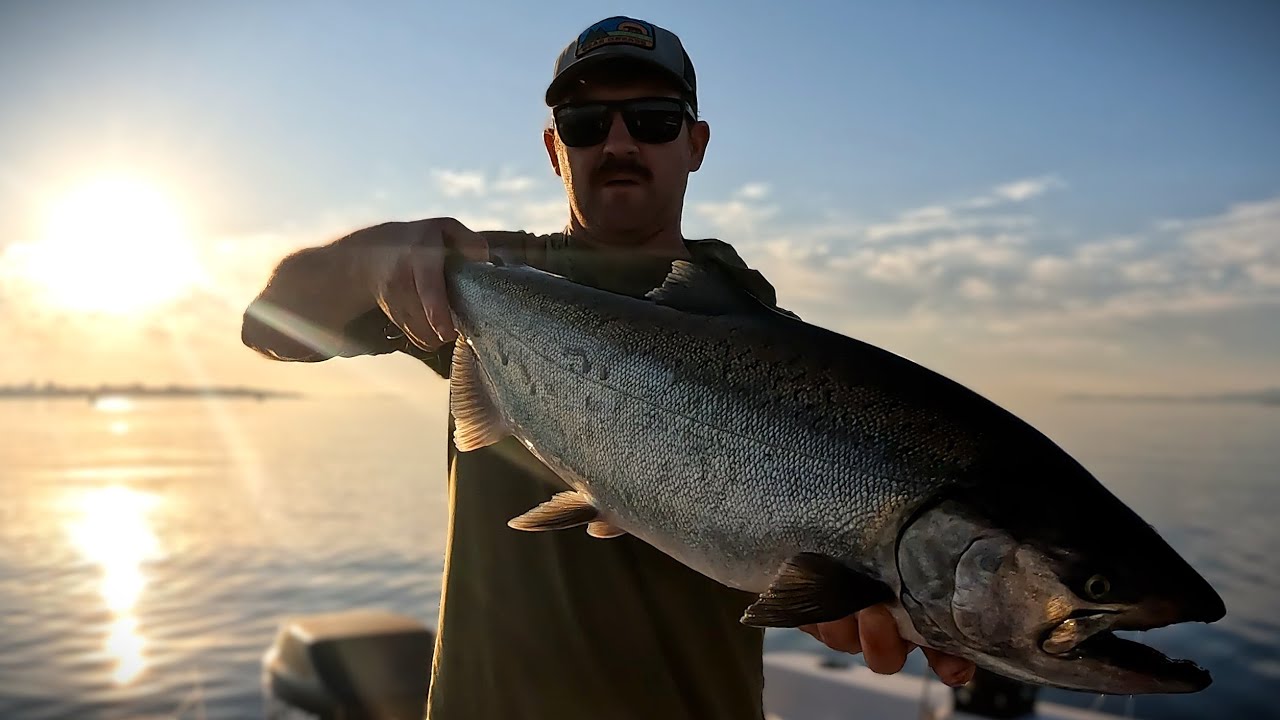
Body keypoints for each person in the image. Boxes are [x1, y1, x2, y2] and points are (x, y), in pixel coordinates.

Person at [241, 16, 976, 719]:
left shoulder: (780, 356)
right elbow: (271, 323)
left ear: (696, 142)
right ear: (555, 149)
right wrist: (371, 260)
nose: (617, 142)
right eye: (586, 125)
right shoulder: (480, 280)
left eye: (652, 120)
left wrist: (860, 582)